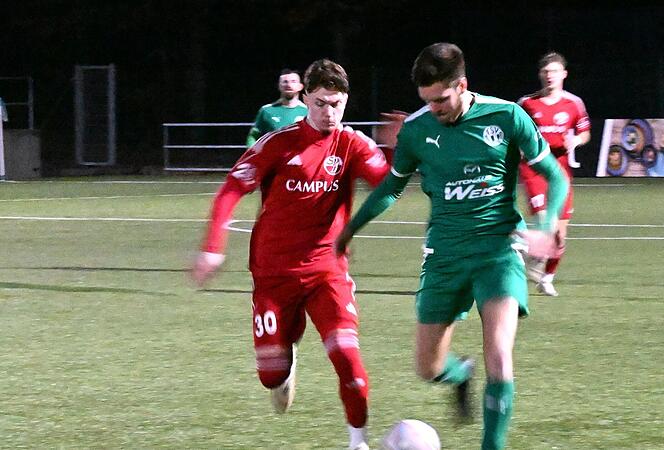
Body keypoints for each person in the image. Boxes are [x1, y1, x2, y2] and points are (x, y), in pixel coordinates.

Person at [336, 43, 569, 450]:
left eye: (441, 99)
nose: (435, 109)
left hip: (498, 250)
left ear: (462, 85)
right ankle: (460, 374)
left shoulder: (506, 116)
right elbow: (390, 189)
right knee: (428, 368)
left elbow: (555, 176)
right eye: (427, 100)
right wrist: (347, 231)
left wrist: (546, 226)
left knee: (500, 356)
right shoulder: (417, 130)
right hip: (444, 256)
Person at [192, 59, 389, 450]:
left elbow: (388, 185)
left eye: (336, 103)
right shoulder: (278, 144)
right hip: (274, 275)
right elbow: (230, 190)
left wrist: (396, 150)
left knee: (348, 359)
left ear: (346, 101)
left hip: (327, 272)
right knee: (271, 375)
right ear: (306, 99)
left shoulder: (352, 144)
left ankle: (358, 443)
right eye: (320, 103)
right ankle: (287, 354)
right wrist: (213, 248)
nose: (328, 112)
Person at [517, 51, 591, 296]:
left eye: (555, 71)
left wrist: (576, 140)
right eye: (546, 72)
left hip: (560, 171)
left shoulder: (574, 104)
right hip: (534, 169)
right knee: (543, 219)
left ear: (564, 74)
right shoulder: (527, 104)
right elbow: (514, 130)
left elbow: (585, 132)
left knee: (559, 233)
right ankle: (528, 252)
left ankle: (546, 277)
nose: (550, 76)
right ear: (540, 74)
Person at [246, 69, 308, 146]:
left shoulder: (308, 111)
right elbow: (252, 136)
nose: (288, 85)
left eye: (293, 81)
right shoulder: (266, 110)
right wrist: (253, 151)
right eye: (285, 82)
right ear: (279, 86)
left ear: (300, 86)